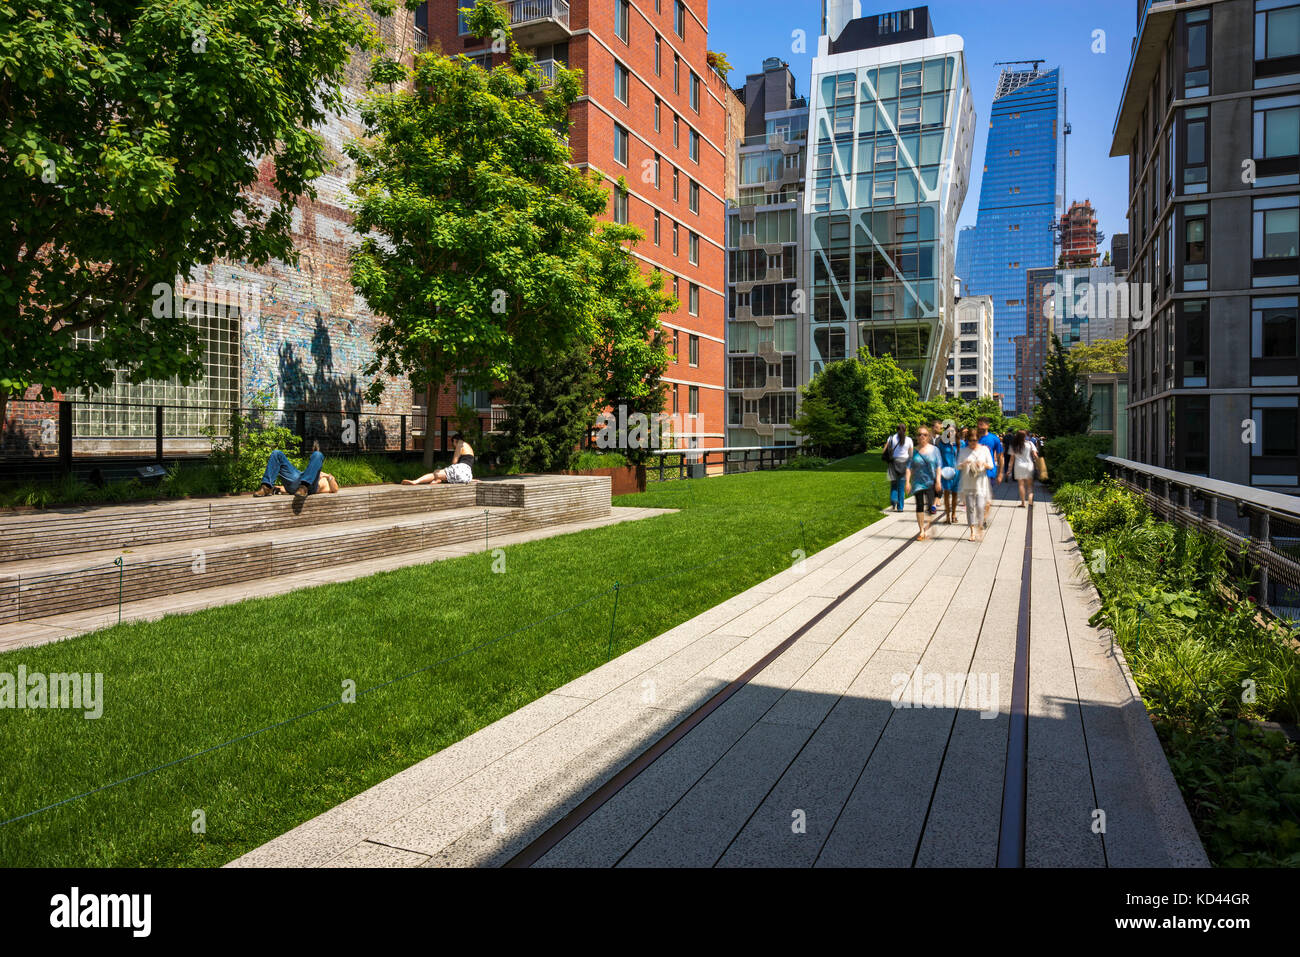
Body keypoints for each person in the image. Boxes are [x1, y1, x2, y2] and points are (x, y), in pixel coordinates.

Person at [904, 426, 942, 541]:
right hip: (918, 483)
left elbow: (938, 466)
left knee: (931, 507)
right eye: (920, 434)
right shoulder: (913, 451)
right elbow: (908, 468)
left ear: (929, 436)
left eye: (925, 434)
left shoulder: (935, 450)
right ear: (917, 437)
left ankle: (929, 524)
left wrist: (938, 481)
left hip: (931, 482)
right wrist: (907, 482)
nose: (922, 437)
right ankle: (921, 531)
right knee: (919, 505)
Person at [957, 427, 994, 542]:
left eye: (975, 440)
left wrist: (982, 464)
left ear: (978, 439)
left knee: (979, 506)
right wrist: (964, 463)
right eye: (970, 440)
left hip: (981, 483)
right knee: (970, 508)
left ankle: (980, 527)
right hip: (968, 483)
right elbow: (957, 466)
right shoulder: (963, 451)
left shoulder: (984, 450)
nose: (973, 443)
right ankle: (972, 531)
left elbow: (991, 465)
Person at [254, 449, 339, 498]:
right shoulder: (309, 473)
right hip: (298, 481)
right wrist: (278, 489)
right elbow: (290, 488)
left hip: (310, 487)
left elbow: (335, 489)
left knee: (318, 454)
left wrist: (328, 476)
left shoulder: (326, 480)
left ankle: (304, 487)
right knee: (277, 453)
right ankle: (266, 487)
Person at [403, 433, 476, 485]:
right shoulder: (469, 447)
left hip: (460, 469)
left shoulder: (460, 443)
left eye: (453, 443)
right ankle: (438, 480)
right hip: (467, 475)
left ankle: (415, 481)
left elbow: (454, 462)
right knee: (440, 472)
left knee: (435, 474)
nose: (453, 445)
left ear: (455, 440)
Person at [975, 418, 1002, 529]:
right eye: (978, 425)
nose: (980, 427)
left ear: (987, 425)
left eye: (982, 424)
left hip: (989, 472)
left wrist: (1000, 473)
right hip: (975, 473)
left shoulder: (993, 439)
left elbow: (1001, 456)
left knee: (986, 498)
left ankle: (983, 519)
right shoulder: (973, 438)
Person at [933, 421, 960, 524]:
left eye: (953, 431)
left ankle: (954, 514)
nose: (951, 433)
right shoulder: (941, 444)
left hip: (957, 473)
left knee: (955, 495)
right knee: (947, 495)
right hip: (945, 473)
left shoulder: (959, 443)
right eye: (949, 431)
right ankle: (948, 516)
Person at [883, 423, 913, 512]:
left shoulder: (891, 438)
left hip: (893, 463)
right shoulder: (909, 440)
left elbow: (884, 450)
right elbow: (911, 454)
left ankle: (893, 501)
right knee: (901, 486)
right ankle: (900, 507)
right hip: (904, 463)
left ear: (896, 430)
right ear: (905, 430)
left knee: (894, 485)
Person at [1008, 429, 1039, 507]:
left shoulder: (1014, 445)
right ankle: (1030, 501)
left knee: (1021, 485)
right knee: (1029, 486)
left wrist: (1009, 470)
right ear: (1025, 436)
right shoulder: (1030, 444)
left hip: (1018, 466)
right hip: (1029, 465)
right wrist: (1040, 465)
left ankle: (1023, 503)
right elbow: (1035, 455)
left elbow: (1012, 459)